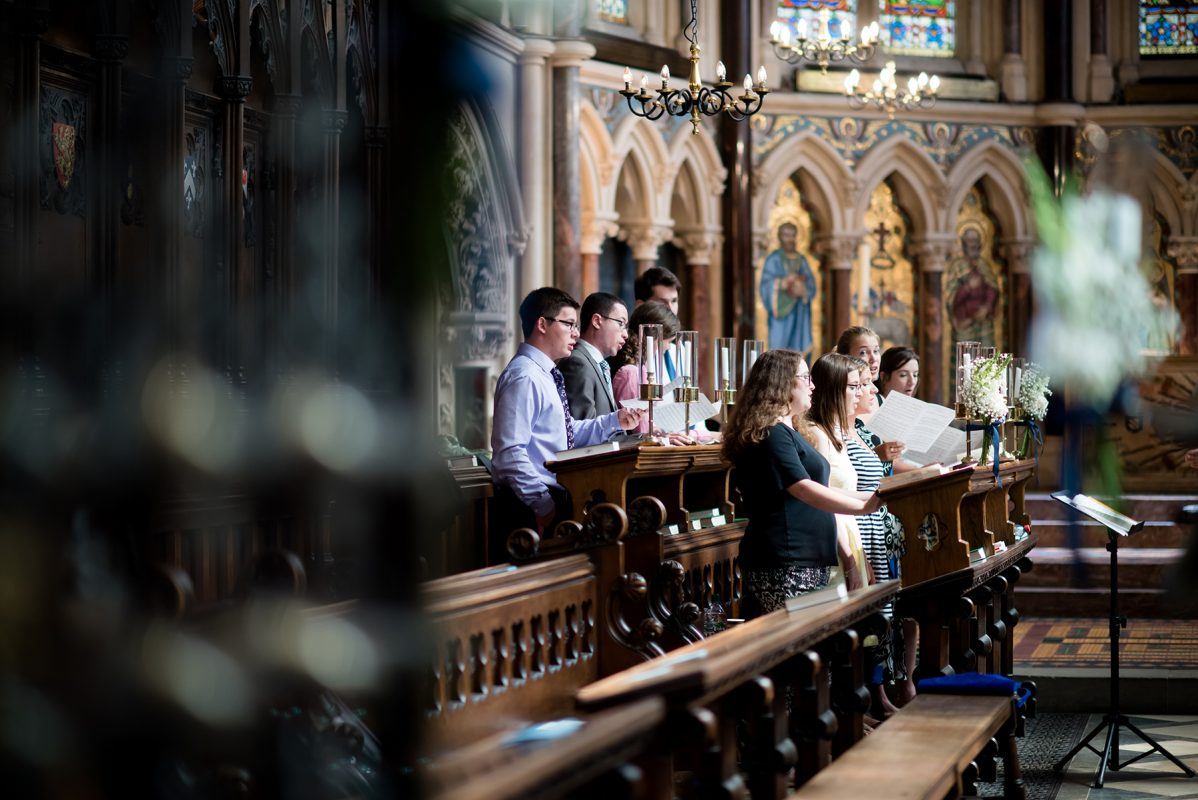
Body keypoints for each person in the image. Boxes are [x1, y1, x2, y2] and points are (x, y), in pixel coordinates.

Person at [722, 349, 880, 618]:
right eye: (806, 378)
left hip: (807, 560)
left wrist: (874, 495)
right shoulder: (771, 434)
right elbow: (803, 488)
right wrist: (864, 506)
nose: (813, 385)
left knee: (815, 651)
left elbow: (825, 488)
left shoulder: (789, 431)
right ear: (782, 383)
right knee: (800, 652)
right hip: (786, 561)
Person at [491, 288, 645, 552]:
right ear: (542, 324)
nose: (576, 332)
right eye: (569, 324)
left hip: (548, 498)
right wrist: (544, 506)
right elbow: (509, 453)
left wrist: (615, 421)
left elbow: (566, 432)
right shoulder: (525, 376)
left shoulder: (545, 373)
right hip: (529, 505)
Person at [844, 358, 916, 712]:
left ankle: (879, 692)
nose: (873, 389)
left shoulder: (860, 429)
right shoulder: (837, 433)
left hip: (877, 528)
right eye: (862, 384)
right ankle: (869, 698)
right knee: (870, 622)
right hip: (860, 530)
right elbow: (847, 485)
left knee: (885, 619)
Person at [802, 354, 872, 591]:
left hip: (850, 537)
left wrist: (860, 557)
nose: (861, 393)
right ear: (833, 389)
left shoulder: (834, 433)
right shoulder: (816, 435)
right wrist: (849, 560)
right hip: (834, 543)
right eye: (853, 387)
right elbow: (824, 501)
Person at [609, 301, 691, 443]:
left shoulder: (641, 368)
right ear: (654, 338)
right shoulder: (631, 372)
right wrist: (665, 437)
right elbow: (642, 430)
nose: (669, 347)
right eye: (669, 341)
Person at [837, 326, 911, 472]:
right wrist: (876, 455)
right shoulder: (843, 404)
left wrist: (926, 471)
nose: (873, 358)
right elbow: (838, 465)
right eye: (863, 352)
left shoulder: (880, 400)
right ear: (845, 358)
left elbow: (893, 461)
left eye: (876, 351)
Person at [559, 292, 628, 420]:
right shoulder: (577, 363)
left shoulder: (600, 364)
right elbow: (585, 431)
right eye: (620, 323)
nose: (625, 334)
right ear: (597, 321)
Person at [760, 222, 817, 357]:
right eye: (786, 235)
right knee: (779, 352)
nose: (789, 239)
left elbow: (811, 286)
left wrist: (803, 291)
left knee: (798, 351)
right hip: (780, 316)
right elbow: (766, 285)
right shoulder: (773, 259)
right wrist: (784, 283)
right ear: (780, 237)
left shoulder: (801, 260)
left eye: (792, 235)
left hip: (800, 313)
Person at [946, 227, 1000, 345]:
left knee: (986, 355)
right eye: (969, 241)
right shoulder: (957, 266)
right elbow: (950, 296)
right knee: (965, 356)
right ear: (963, 243)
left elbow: (992, 289)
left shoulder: (984, 266)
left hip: (983, 321)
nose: (973, 245)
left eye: (975, 241)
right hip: (964, 320)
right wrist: (968, 287)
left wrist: (986, 307)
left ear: (980, 244)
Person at [635, 266, 682, 378]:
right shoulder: (630, 352)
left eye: (674, 301)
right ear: (641, 305)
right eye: (662, 302)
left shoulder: (680, 350)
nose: (671, 309)